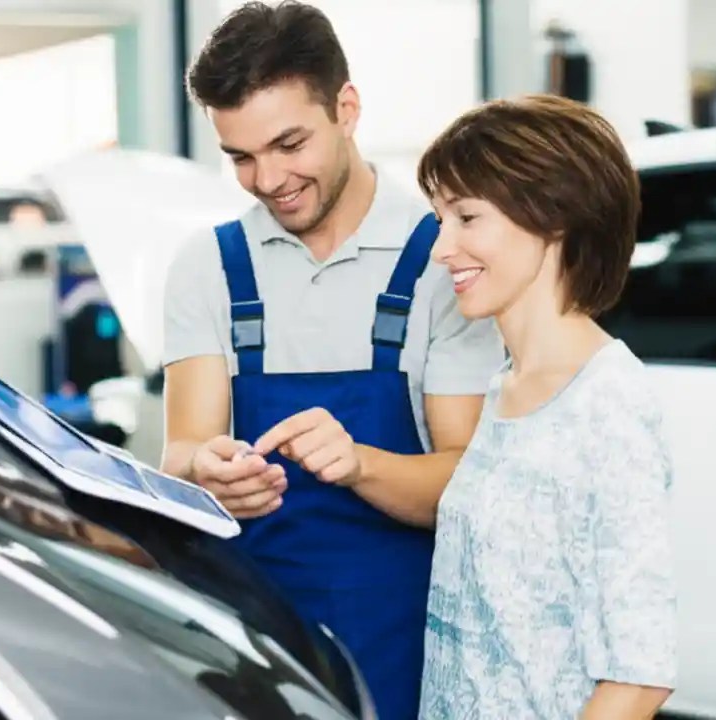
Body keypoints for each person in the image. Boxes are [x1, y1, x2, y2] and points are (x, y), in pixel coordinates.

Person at [159, 2, 504, 718]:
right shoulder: (208, 266)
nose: (268, 179)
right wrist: (206, 474)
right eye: (241, 157)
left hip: (404, 644)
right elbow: (181, 454)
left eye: (289, 144)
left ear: (346, 108)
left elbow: (465, 487)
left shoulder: (445, 258)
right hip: (255, 643)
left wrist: (359, 464)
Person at [416, 94, 678, 719]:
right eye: (440, 219)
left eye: (467, 217)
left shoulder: (608, 402)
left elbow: (639, 676)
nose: (441, 248)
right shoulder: (504, 386)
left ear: (553, 218)